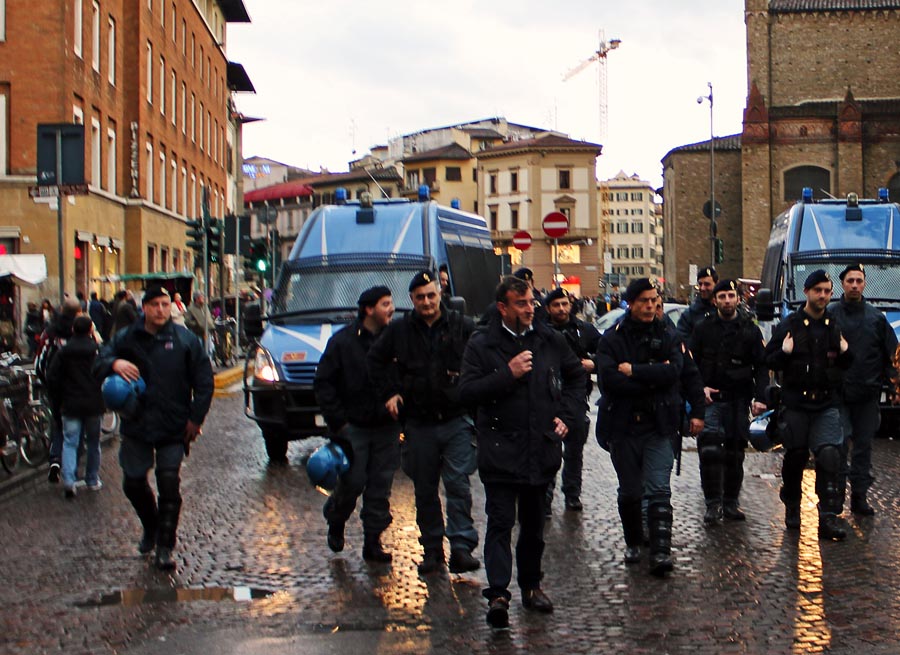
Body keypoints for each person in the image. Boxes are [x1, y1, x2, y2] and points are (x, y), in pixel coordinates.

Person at [459, 275, 585, 630]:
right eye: (522, 303)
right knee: (500, 523)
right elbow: (467, 392)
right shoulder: (482, 343)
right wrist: (506, 374)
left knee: (533, 526)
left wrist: (567, 416)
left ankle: (532, 586)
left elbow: (577, 378)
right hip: (499, 450)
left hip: (539, 449)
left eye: (532, 302)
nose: (530, 309)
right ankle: (498, 593)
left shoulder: (549, 339)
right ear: (503, 308)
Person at [367, 270, 480, 575]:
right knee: (425, 490)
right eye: (420, 297)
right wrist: (389, 393)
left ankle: (460, 547)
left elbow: (482, 358)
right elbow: (375, 362)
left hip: (456, 419)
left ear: (440, 293)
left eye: (431, 295)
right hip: (418, 423)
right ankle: (432, 550)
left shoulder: (462, 326)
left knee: (457, 483)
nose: (427, 302)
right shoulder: (400, 331)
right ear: (412, 300)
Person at [94, 285, 214, 570]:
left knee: (169, 483)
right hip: (137, 422)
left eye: (165, 304)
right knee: (133, 482)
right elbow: (98, 361)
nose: (161, 310)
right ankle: (151, 526)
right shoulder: (126, 338)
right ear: (144, 308)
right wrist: (114, 363)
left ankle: (165, 546)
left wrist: (196, 419)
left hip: (174, 425)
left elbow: (205, 381)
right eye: (155, 305)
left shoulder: (185, 340)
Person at [596, 278, 696, 576]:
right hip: (623, 426)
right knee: (630, 491)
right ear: (631, 303)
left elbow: (675, 371)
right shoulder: (612, 338)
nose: (651, 306)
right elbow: (610, 381)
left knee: (659, 488)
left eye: (654, 300)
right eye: (644, 301)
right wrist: (654, 377)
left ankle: (662, 552)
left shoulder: (669, 332)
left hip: (660, 424)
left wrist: (636, 371)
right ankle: (633, 541)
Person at [314, 286, 400, 562]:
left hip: (386, 426)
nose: (392, 308)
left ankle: (372, 542)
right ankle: (336, 517)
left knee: (380, 486)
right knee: (353, 482)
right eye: (386, 304)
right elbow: (324, 383)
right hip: (353, 428)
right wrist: (338, 422)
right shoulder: (342, 343)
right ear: (368, 309)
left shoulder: (395, 340)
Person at [764, 269, 852, 541]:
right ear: (807, 292)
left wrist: (847, 352)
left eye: (827, 291)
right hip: (797, 404)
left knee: (829, 455)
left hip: (826, 402)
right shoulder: (790, 324)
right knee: (796, 456)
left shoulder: (834, 325)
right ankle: (792, 502)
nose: (823, 296)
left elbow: (846, 364)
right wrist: (785, 353)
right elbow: (770, 360)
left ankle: (827, 516)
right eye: (818, 291)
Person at [689, 279, 769, 524]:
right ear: (715, 300)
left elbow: (761, 366)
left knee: (735, 453)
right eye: (722, 296)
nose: (726, 301)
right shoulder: (703, 328)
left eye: (730, 296)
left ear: (738, 298)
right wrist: (698, 388)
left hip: (738, 398)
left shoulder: (750, 329)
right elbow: (691, 363)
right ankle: (713, 503)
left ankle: (731, 502)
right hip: (711, 399)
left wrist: (760, 397)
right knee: (710, 451)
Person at [829, 263, 898, 516]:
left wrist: (893, 384)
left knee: (863, 449)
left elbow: (892, 355)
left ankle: (859, 496)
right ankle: (835, 496)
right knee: (836, 447)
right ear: (843, 284)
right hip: (838, 394)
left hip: (867, 395)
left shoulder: (876, 319)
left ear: (865, 283)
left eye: (859, 280)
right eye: (850, 281)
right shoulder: (830, 315)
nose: (855, 285)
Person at [543, 287, 600, 512]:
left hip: (576, 398)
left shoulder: (584, 330)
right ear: (548, 308)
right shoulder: (541, 332)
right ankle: (545, 497)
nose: (561, 309)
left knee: (574, 452)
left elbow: (606, 351)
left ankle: (572, 494)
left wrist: (593, 363)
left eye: (564, 304)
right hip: (547, 399)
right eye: (556, 305)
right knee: (547, 450)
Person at [46, 315, 104, 498]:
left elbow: (52, 377)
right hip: (94, 403)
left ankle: (69, 481)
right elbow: (104, 373)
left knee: (70, 442)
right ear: (90, 331)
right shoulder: (97, 351)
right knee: (93, 442)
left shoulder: (64, 352)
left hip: (70, 403)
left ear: (73, 330)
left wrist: (59, 396)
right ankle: (92, 479)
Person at [37, 297, 81, 483]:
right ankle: (72, 469)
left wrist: (45, 380)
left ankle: (55, 458)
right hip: (78, 386)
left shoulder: (50, 332)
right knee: (76, 428)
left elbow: (40, 360)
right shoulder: (81, 330)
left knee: (58, 422)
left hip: (55, 385)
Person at [676, 266, 718, 342]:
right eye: (700, 284)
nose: (702, 288)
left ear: (716, 284)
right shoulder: (689, 315)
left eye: (707, 284)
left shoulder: (724, 310)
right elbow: (681, 341)